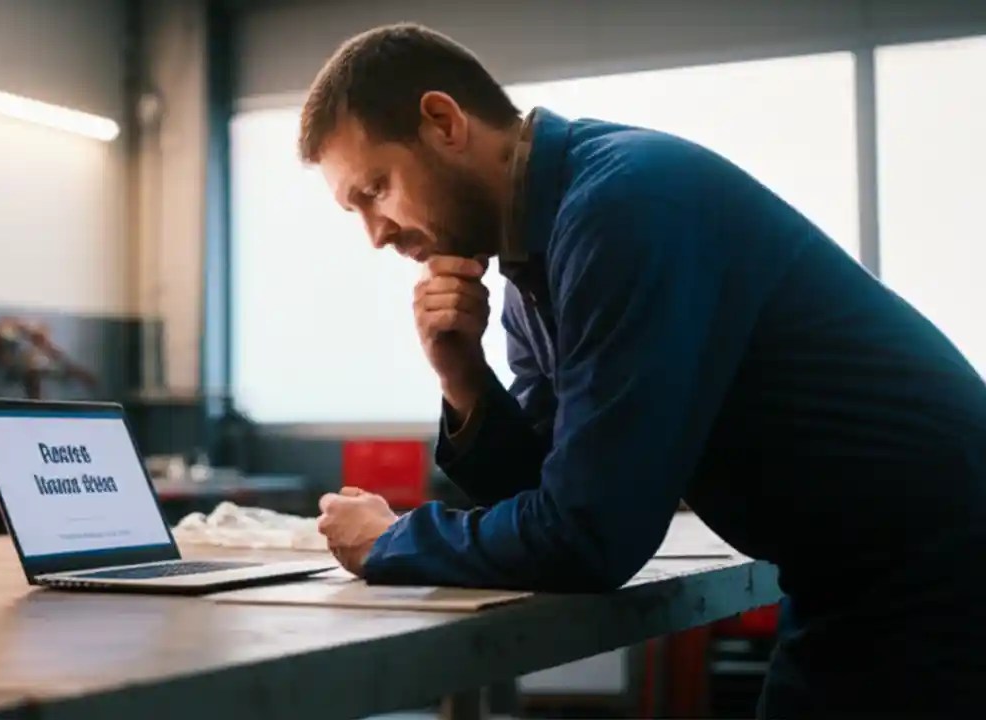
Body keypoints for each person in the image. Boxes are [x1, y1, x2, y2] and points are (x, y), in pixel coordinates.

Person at [304, 23, 986, 718]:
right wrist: (464, 380)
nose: (376, 233)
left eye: (376, 190)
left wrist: (395, 541)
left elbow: (587, 536)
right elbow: (545, 491)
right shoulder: (530, 275)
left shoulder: (622, 207)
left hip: (944, 577)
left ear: (444, 121)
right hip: (863, 582)